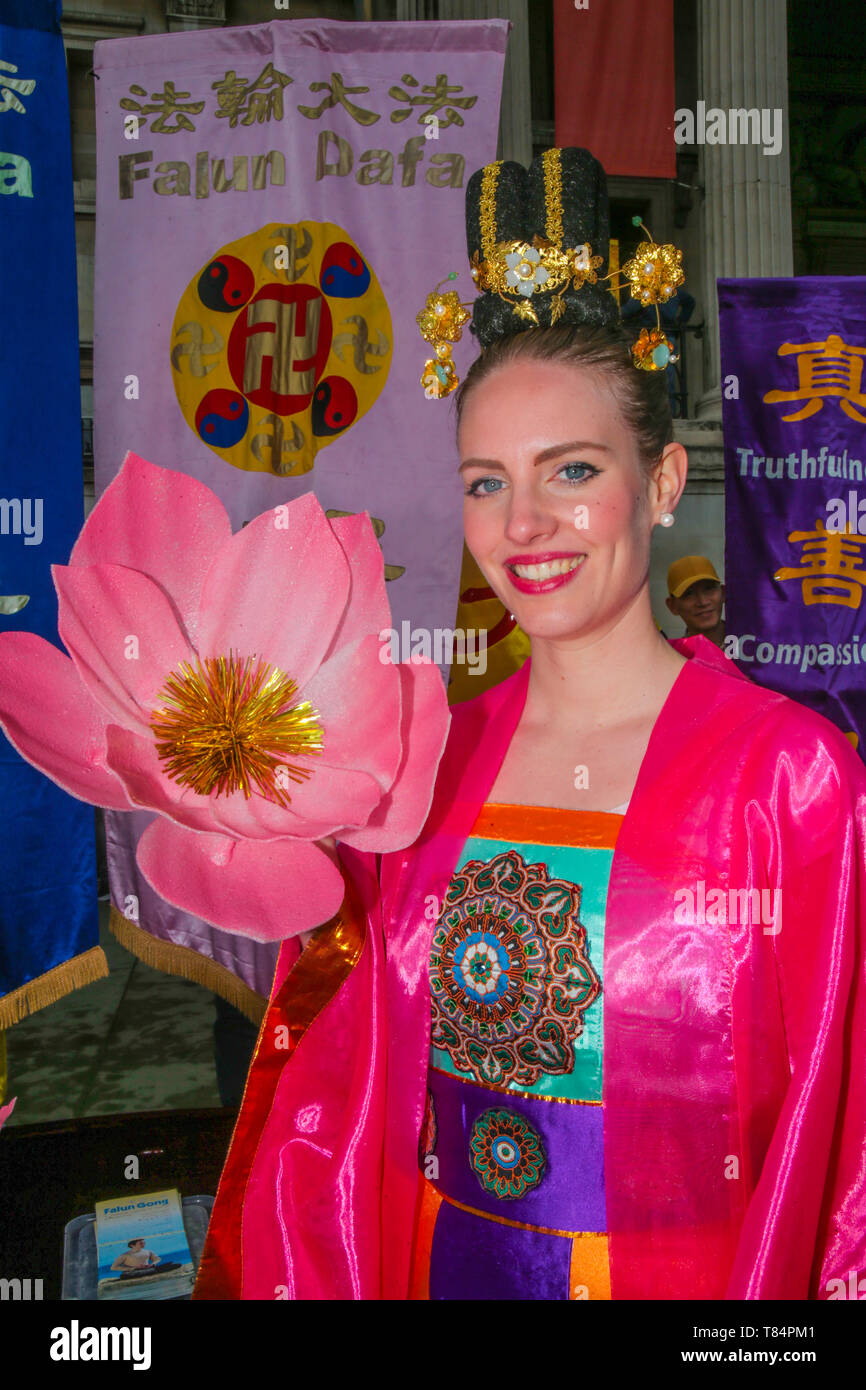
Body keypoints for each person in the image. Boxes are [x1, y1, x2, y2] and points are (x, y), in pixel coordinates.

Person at [192, 148, 866, 1302]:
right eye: (485, 480)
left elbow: (842, 1136)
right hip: (438, 1261)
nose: (525, 524)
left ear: (658, 484)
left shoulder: (791, 780)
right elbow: (347, 1073)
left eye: (570, 469)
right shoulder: (419, 766)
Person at [665, 555, 726, 648]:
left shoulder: (750, 645)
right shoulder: (674, 657)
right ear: (672, 606)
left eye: (709, 588)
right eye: (688, 594)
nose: (703, 602)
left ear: (723, 593)